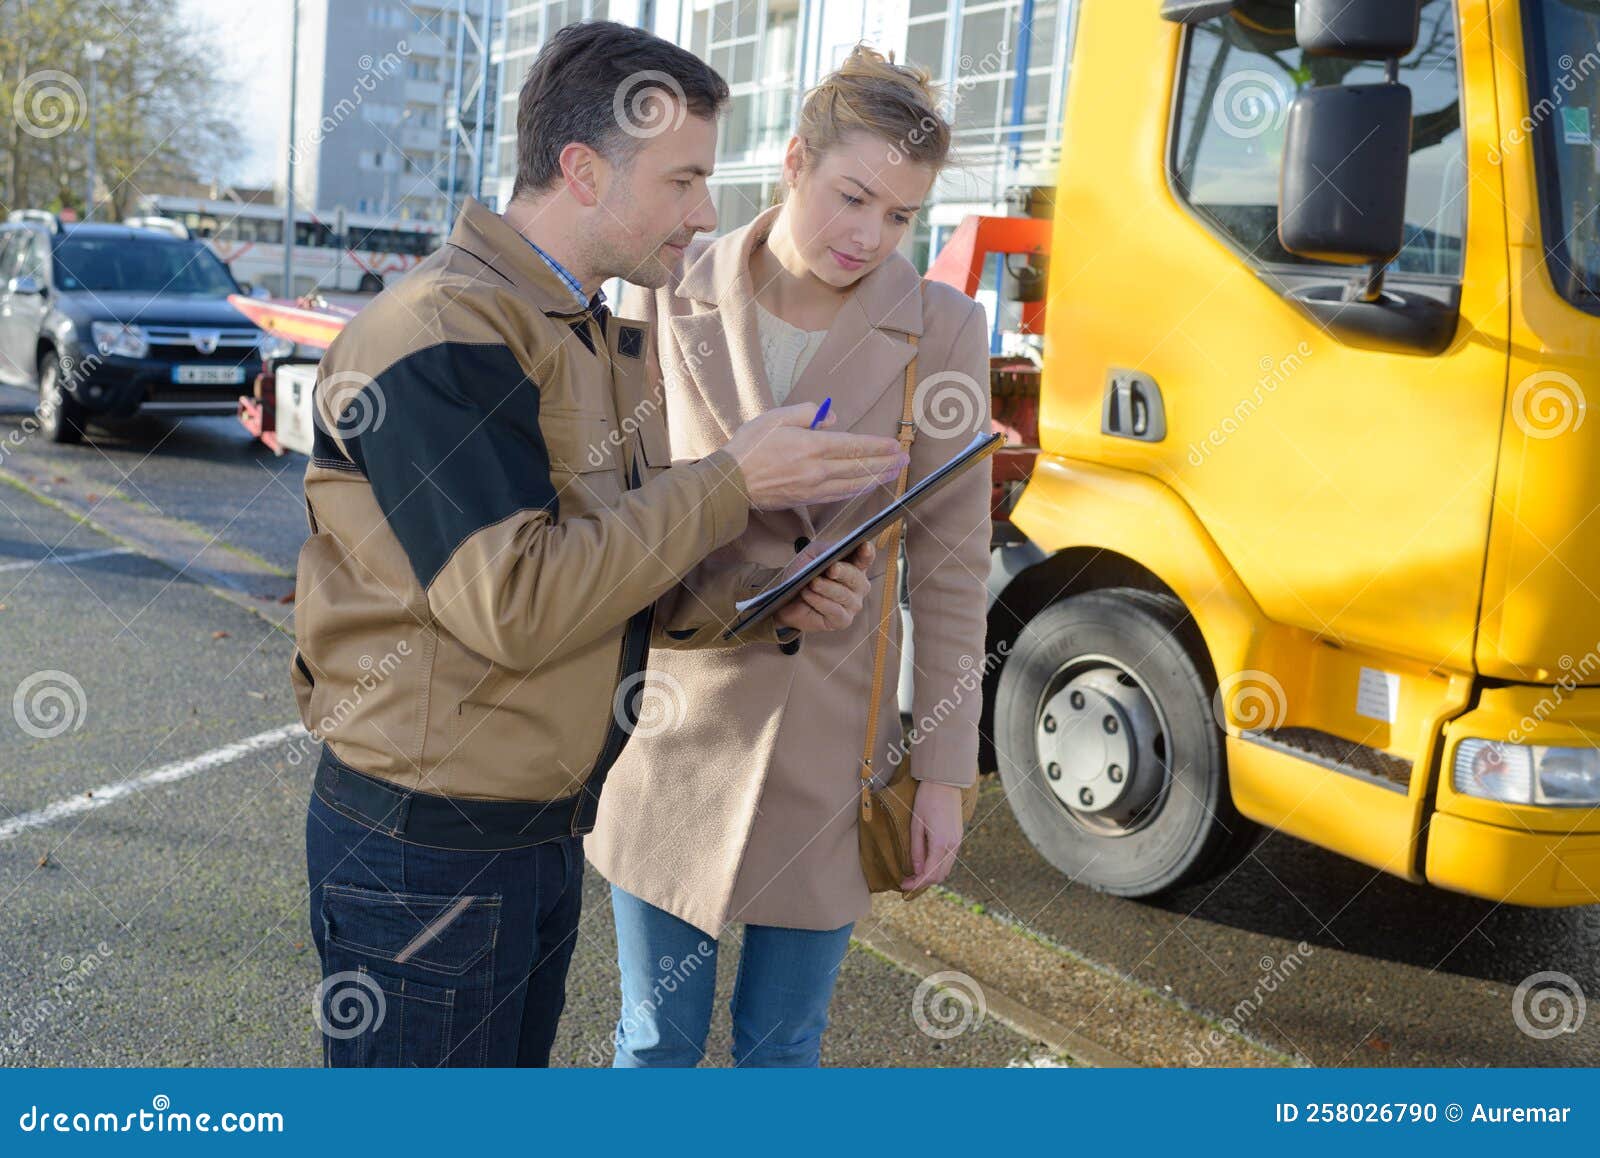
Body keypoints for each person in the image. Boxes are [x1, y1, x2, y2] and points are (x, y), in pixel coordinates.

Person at [297, 22, 908, 1068]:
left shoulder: (579, 329)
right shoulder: (442, 331)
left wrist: (761, 597)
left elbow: (605, 572)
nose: (705, 212)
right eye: (682, 180)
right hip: (430, 853)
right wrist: (730, 481)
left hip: (529, 838)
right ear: (583, 171)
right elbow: (518, 601)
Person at [587, 45, 993, 1067]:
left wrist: (943, 776)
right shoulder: (661, 287)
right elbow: (612, 509)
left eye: (900, 216)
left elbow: (950, 568)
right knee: (652, 1043)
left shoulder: (941, 328)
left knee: (783, 1048)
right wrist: (749, 587)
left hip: (830, 751)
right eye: (853, 196)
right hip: (672, 724)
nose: (869, 235)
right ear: (794, 162)